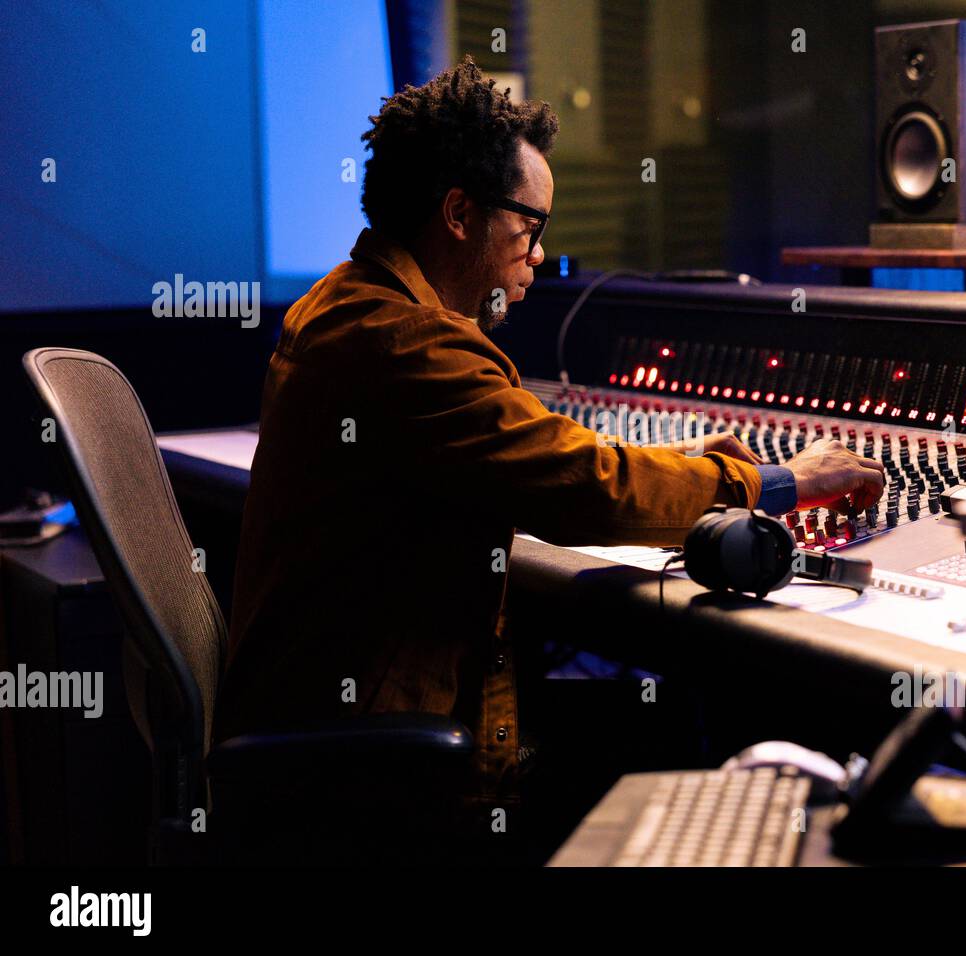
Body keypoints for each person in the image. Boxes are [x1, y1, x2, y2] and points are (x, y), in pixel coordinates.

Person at [213, 56, 884, 850]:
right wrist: (776, 482)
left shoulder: (346, 300)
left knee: (657, 723)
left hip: (349, 722)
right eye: (529, 230)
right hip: (371, 783)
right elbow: (584, 488)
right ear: (460, 212)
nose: (537, 258)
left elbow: (533, 449)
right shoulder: (406, 344)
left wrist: (682, 456)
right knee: (686, 745)